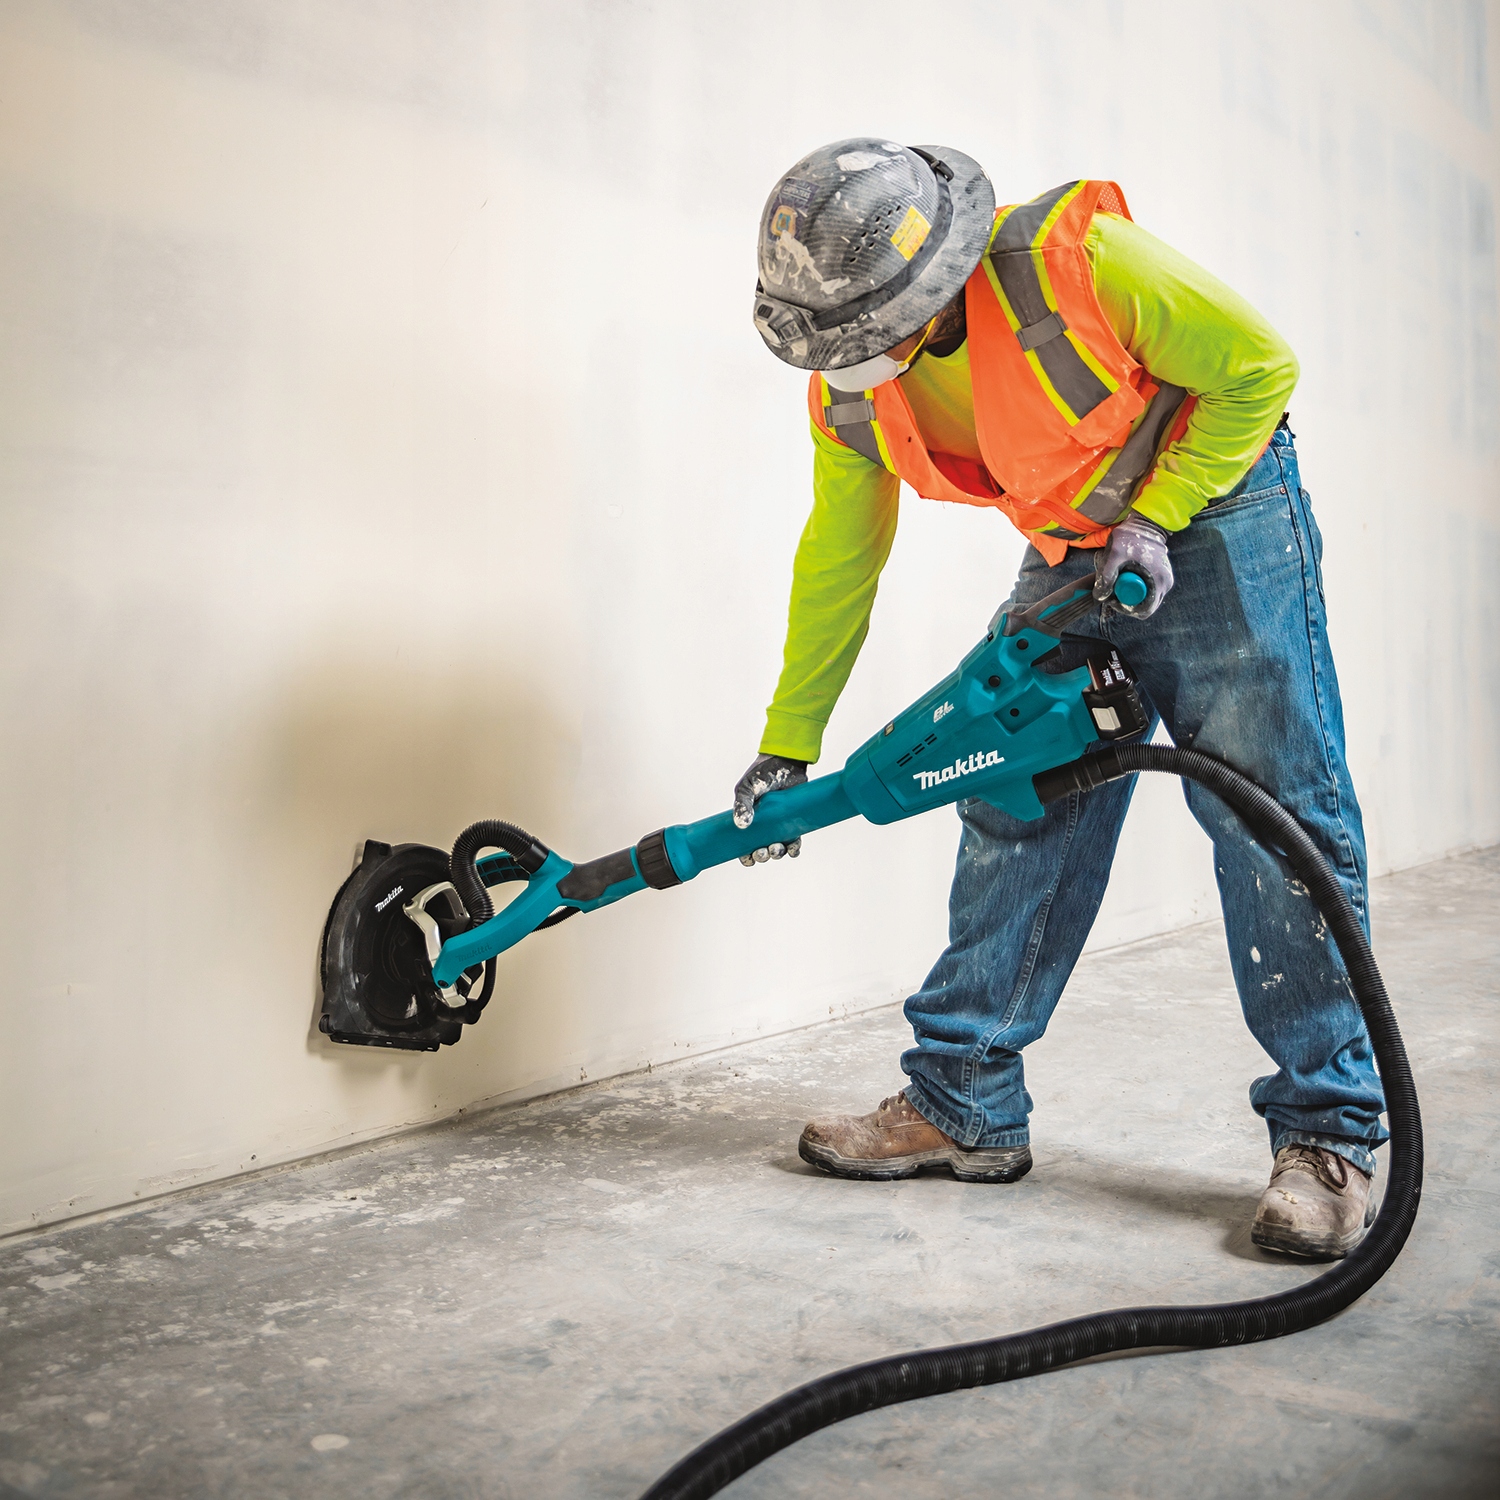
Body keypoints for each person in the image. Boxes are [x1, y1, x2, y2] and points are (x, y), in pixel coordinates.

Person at [735, 138, 1385, 1260]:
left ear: (930, 289)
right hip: (1077, 546)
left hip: (1218, 510)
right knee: (1013, 793)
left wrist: (1161, 511)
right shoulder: (850, 398)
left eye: (861, 336)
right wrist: (789, 741)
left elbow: (1259, 366)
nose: (845, 364)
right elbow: (838, 558)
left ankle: (1330, 1135)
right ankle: (963, 1100)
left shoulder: (1074, 262)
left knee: (1272, 816)